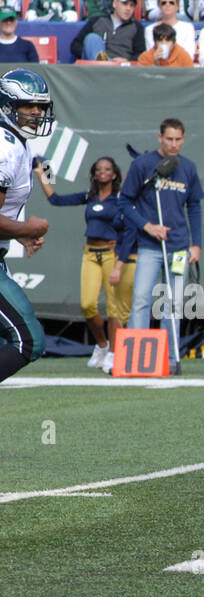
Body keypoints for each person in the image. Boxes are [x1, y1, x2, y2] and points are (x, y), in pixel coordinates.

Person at [119, 116, 204, 376]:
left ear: (184, 138)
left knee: (174, 303)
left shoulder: (188, 168)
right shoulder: (143, 165)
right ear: (160, 138)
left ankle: (171, 358)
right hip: (149, 246)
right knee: (143, 299)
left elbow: (195, 206)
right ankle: (136, 358)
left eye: (178, 139)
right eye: (169, 139)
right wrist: (147, 226)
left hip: (179, 246)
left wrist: (196, 244)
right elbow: (124, 201)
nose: (174, 144)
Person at [36, 155, 130, 374]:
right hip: (90, 254)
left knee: (114, 308)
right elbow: (56, 199)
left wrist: (121, 248)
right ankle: (102, 346)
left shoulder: (120, 198)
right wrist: (42, 174)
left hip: (110, 255)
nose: (102, 172)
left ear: (114, 174)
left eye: (107, 169)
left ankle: (115, 355)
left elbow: (129, 226)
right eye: (98, 169)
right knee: (88, 305)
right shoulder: (90, 196)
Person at [0, 69, 52, 384]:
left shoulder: (14, 141)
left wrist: (19, 233)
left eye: (40, 106)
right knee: (28, 339)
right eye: (28, 105)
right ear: (8, 104)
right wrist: (27, 230)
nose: (36, 112)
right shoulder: (5, 147)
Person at [71, 0, 148, 62]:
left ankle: (104, 64)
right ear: (115, 4)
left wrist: (127, 60)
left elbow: (140, 54)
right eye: (124, 4)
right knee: (92, 38)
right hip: (94, 66)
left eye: (132, 5)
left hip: (121, 68)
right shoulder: (97, 21)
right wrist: (92, 52)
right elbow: (75, 46)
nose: (128, 8)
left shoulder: (136, 27)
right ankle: (102, 63)